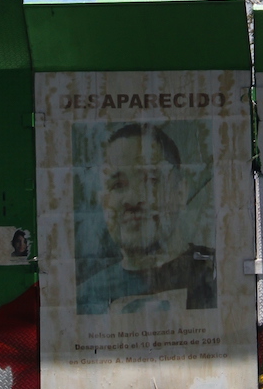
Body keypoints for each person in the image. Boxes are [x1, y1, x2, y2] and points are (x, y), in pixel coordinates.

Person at [77, 123, 216, 315]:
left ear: (181, 193)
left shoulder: (218, 275)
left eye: (150, 180)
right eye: (117, 185)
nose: (133, 199)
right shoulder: (86, 298)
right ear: (103, 202)